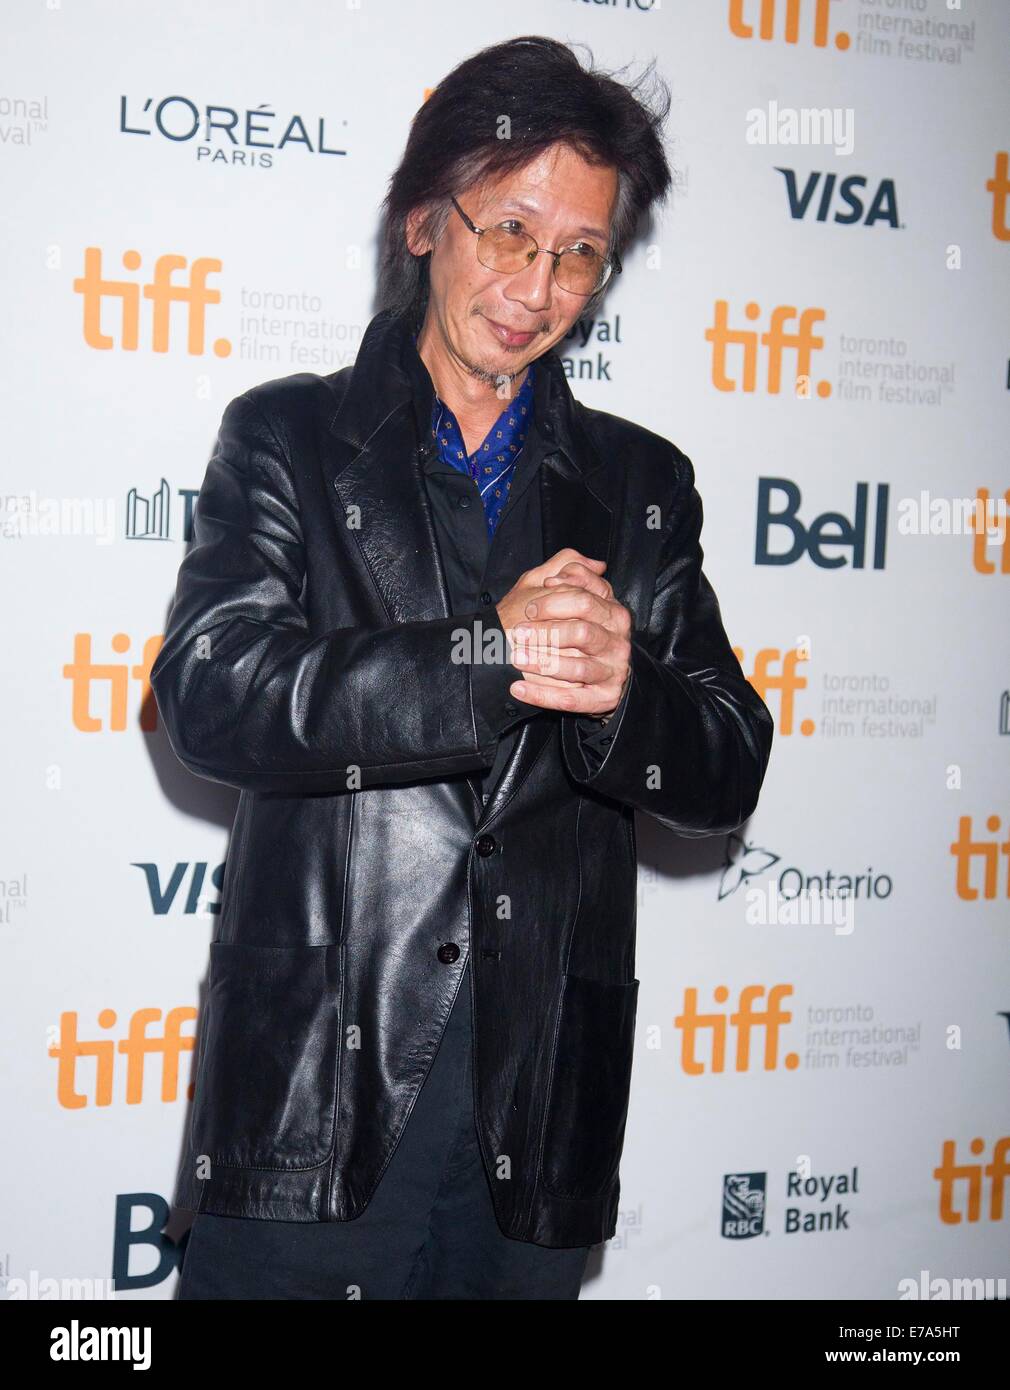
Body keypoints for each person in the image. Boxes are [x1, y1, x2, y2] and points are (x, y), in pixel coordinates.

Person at [151, 34, 774, 1301]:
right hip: (313, 1101)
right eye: (507, 231)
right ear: (426, 217)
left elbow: (724, 763)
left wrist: (622, 692)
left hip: (538, 1112)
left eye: (579, 253)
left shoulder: (639, 483)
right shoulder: (286, 434)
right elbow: (210, 691)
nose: (536, 285)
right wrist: (490, 655)